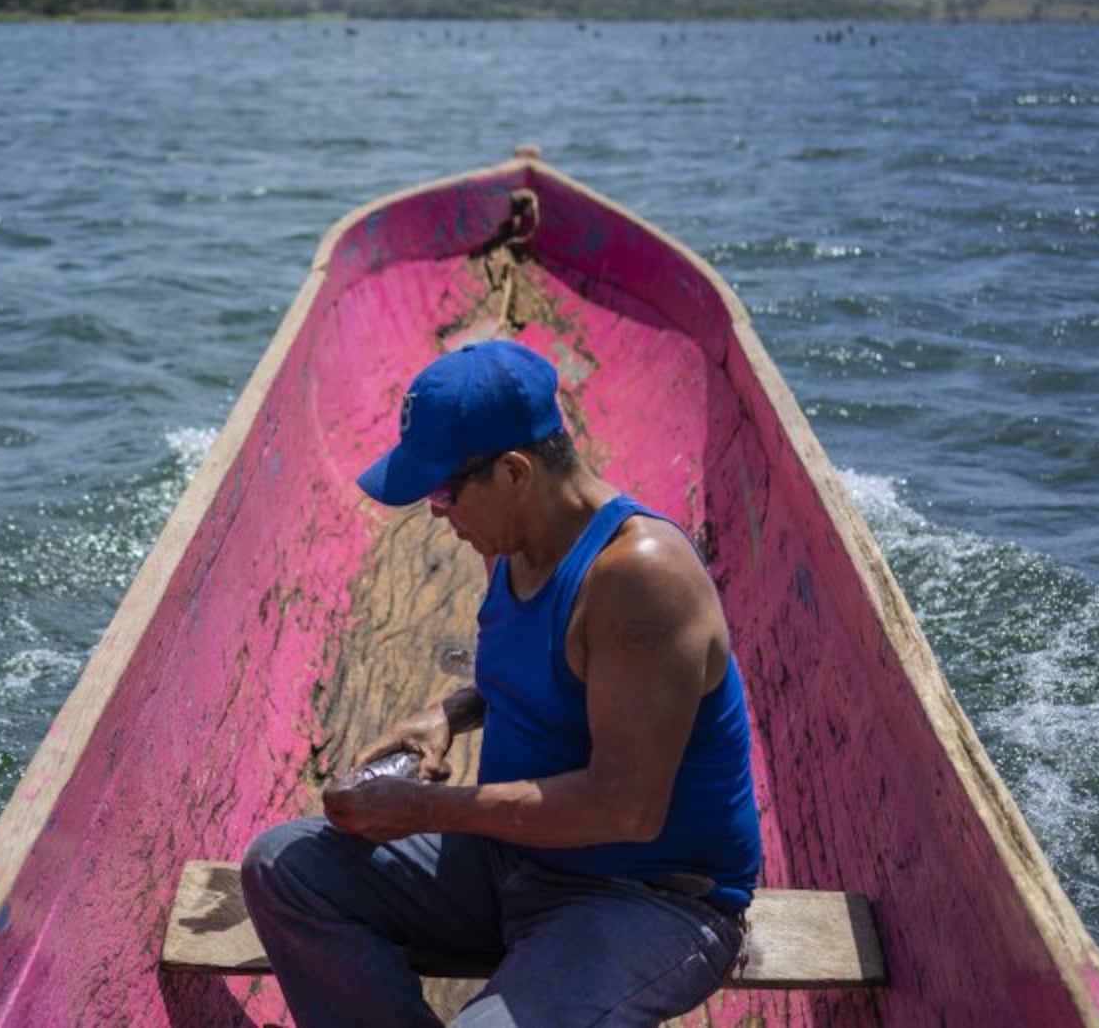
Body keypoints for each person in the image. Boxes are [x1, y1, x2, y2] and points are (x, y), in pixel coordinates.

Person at [240, 340, 761, 1027]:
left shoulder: (640, 578)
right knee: (284, 866)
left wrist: (424, 809)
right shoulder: (512, 549)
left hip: (642, 897)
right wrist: (449, 714)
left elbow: (625, 809)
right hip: (515, 862)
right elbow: (549, 674)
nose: (435, 512)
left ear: (515, 472)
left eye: (445, 491)